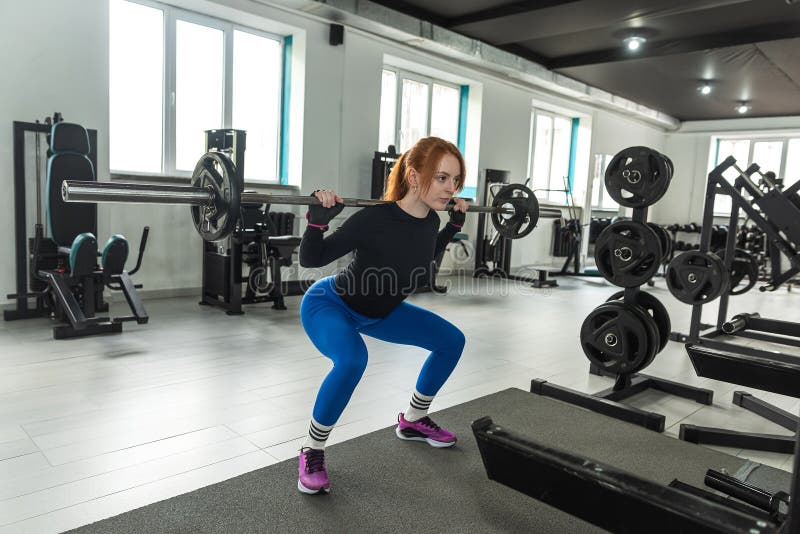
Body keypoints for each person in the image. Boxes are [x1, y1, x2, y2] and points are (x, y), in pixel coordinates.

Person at [296, 136, 469, 495]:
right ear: (413, 174)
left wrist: (451, 228)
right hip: (331, 304)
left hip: (382, 312)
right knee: (353, 360)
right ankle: (312, 450)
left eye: (454, 180)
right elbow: (312, 260)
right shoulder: (374, 218)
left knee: (451, 341)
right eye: (441, 178)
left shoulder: (429, 223)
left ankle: (414, 420)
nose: (450, 187)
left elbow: (424, 259)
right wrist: (316, 224)